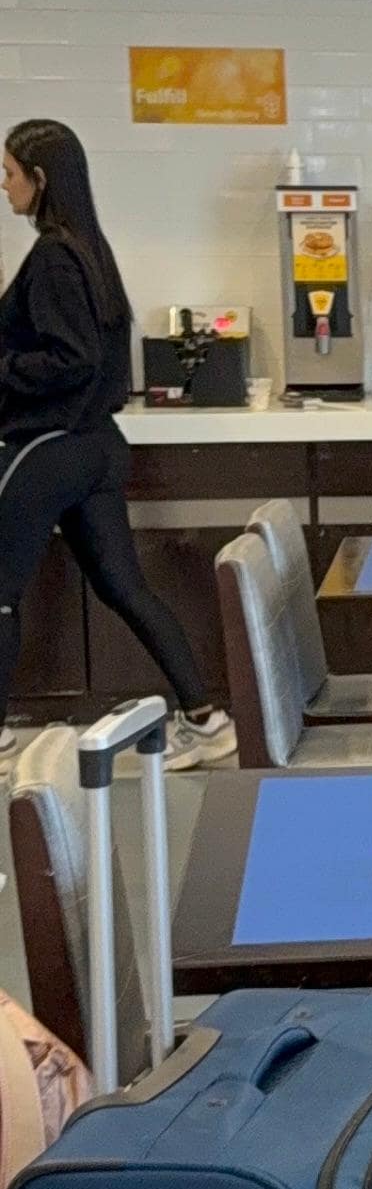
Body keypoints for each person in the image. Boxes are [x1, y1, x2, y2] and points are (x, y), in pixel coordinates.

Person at [0, 119, 234, 773]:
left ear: (39, 179)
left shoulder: (53, 256)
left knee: (0, 591)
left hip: (50, 446)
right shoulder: (90, 250)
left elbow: (69, 359)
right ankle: (206, 720)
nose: (3, 186)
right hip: (98, 447)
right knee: (125, 588)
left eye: (9, 174)